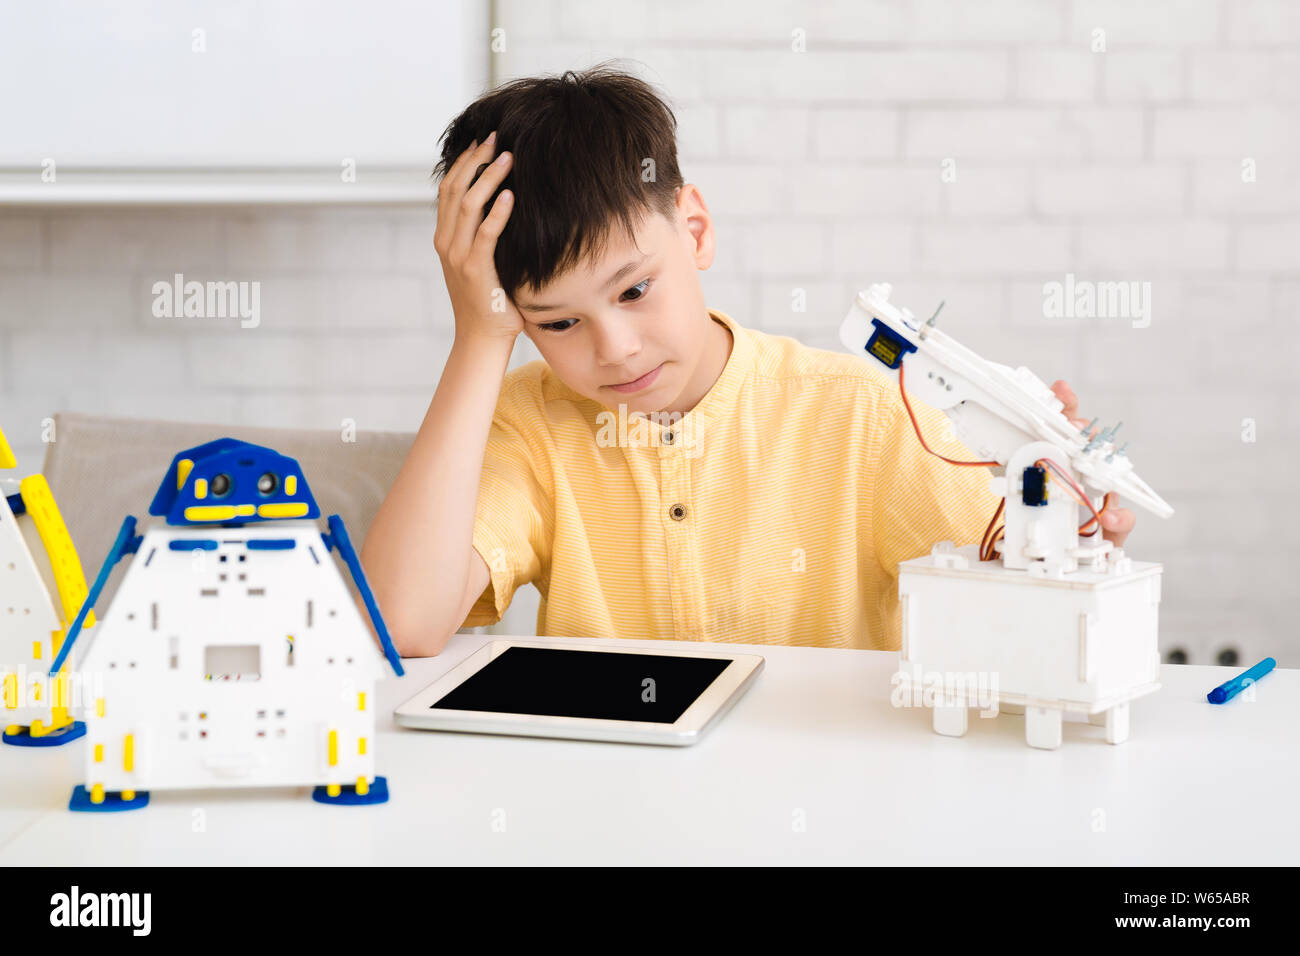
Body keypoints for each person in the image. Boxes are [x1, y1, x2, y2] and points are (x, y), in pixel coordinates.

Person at [361, 64, 1134, 658]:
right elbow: (403, 622)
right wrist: (478, 337)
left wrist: (1072, 521)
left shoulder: (855, 415)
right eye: (557, 321)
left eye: (634, 290)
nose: (615, 348)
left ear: (693, 229)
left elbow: (1020, 611)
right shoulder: (532, 424)